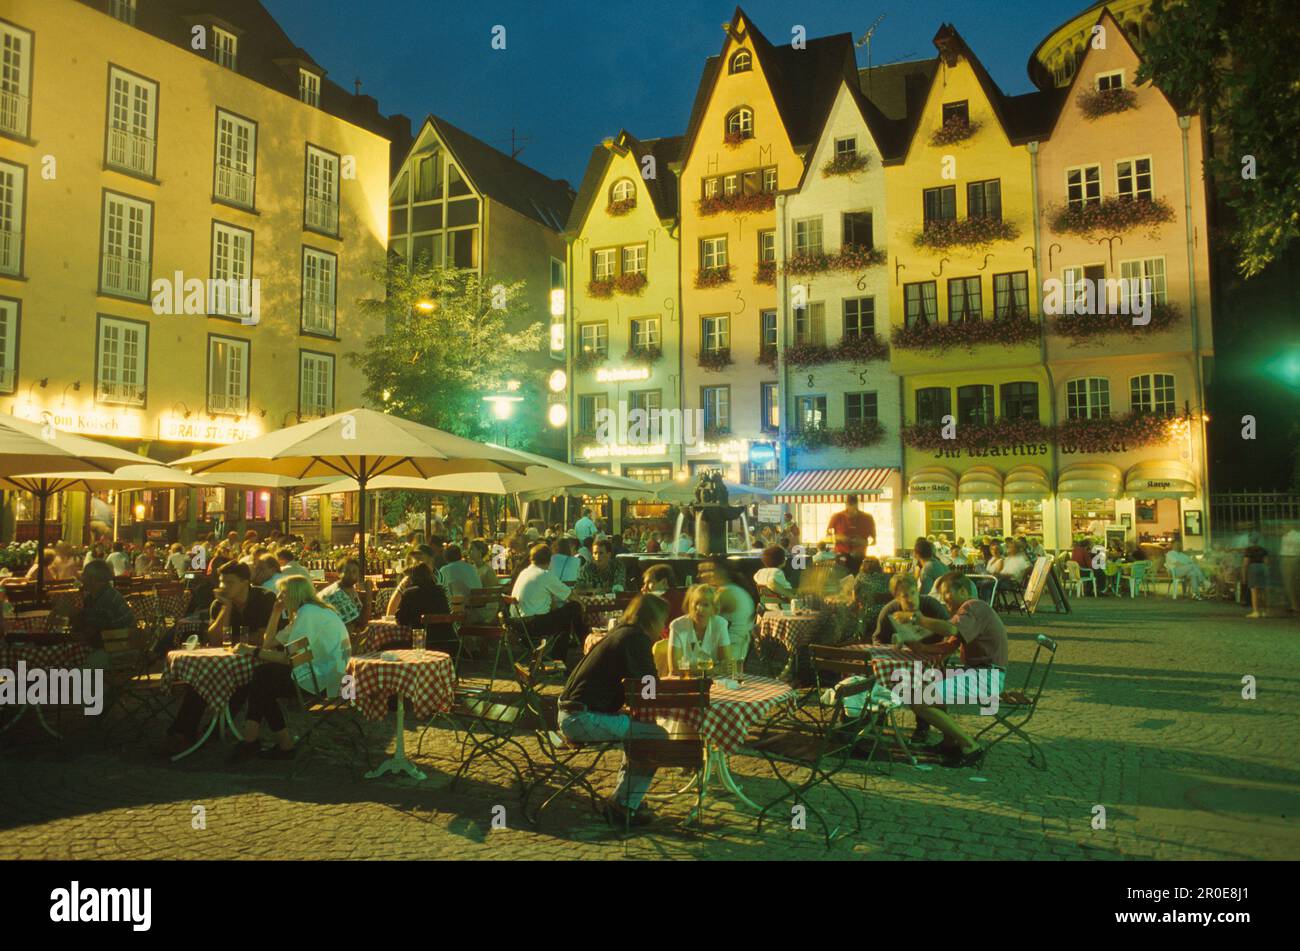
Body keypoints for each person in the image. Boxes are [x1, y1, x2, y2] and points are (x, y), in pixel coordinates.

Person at [556, 594, 671, 826]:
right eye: (662, 621)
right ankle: (624, 806)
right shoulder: (635, 639)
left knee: (641, 732)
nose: (664, 626)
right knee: (656, 737)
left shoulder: (622, 633)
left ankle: (624, 800)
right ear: (652, 619)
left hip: (572, 712)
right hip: (581, 719)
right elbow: (649, 689)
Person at [220, 575, 351, 762]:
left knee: (262, 678)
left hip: (325, 681)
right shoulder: (309, 612)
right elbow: (269, 643)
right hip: (332, 676)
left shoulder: (308, 614)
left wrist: (252, 651)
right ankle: (268, 743)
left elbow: (288, 658)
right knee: (263, 680)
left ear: (294, 594)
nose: (279, 597)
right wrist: (275, 613)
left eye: (283, 593)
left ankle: (258, 741)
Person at [893, 571, 1008, 767]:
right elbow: (947, 647)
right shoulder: (970, 613)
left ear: (962, 590)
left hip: (987, 677)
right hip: (979, 673)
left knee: (919, 700)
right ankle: (949, 743)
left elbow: (950, 630)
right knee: (927, 683)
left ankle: (970, 746)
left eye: (946, 592)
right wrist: (916, 645)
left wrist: (916, 618)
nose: (943, 598)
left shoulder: (973, 607)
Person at [510, 544, 587, 668]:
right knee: (574, 607)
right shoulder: (544, 575)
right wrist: (583, 605)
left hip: (518, 624)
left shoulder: (525, 572)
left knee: (564, 622)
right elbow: (570, 595)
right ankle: (583, 643)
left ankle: (563, 657)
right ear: (549, 560)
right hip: (534, 624)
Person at [71, 559, 136, 654]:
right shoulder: (97, 595)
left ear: (96, 580)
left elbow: (88, 634)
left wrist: (72, 615)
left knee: (72, 663)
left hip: (116, 653)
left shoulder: (105, 599)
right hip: (113, 645)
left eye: (85, 575)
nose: (82, 578)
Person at [666, 584, 730, 674]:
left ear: (713, 608)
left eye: (706, 605)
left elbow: (726, 665)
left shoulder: (720, 624)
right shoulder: (677, 625)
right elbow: (674, 669)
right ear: (690, 605)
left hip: (713, 683)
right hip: (683, 683)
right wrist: (712, 670)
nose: (699, 609)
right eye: (696, 603)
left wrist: (691, 669)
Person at [872, 572, 950, 646]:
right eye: (905, 596)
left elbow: (951, 629)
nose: (911, 600)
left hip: (930, 655)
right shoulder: (889, 611)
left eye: (913, 593)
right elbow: (878, 639)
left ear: (917, 590)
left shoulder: (931, 604)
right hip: (901, 657)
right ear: (897, 598)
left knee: (918, 661)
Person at [710, 562, 755, 667]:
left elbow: (704, 623)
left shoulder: (725, 593)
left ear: (721, 573)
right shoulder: (739, 590)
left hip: (727, 651)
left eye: (710, 571)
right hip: (740, 649)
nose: (701, 575)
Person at [318, 557, 369, 633]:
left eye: (354, 571)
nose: (351, 575)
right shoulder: (336, 593)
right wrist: (369, 595)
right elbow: (359, 624)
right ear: (339, 573)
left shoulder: (350, 589)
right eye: (347, 571)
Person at [827, 494, 875, 572]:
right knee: (841, 580)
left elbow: (873, 540)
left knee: (857, 580)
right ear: (846, 504)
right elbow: (827, 538)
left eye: (853, 504)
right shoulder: (837, 517)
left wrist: (863, 542)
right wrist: (838, 537)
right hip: (841, 556)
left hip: (859, 557)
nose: (851, 507)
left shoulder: (867, 518)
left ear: (857, 504)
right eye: (849, 504)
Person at [1243, 537, 1269, 618]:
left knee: (1254, 591)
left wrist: (1244, 575)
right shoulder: (1263, 549)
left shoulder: (1249, 550)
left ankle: (1255, 611)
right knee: (1263, 591)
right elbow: (1266, 562)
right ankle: (1265, 611)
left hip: (1253, 568)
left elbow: (1246, 563)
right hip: (1262, 567)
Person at [1281, 523, 1300, 614]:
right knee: (1293, 583)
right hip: (1292, 558)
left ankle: (1295, 605)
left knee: (1290, 583)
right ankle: (1295, 605)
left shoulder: (1292, 536)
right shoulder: (1287, 535)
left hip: (1290, 558)